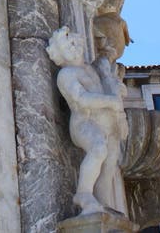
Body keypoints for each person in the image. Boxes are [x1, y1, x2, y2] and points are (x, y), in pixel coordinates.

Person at [47, 26, 128, 216]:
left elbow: (107, 84)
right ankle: (83, 194)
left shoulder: (91, 69)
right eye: (68, 48)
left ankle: (103, 203)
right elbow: (81, 98)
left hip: (108, 123)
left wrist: (116, 88)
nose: (73, 47)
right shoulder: (66, 74)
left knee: (109, 164)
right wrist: (110, 101)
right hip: (84, 123)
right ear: (61, 56)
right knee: (98, 149)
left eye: (74, 42)